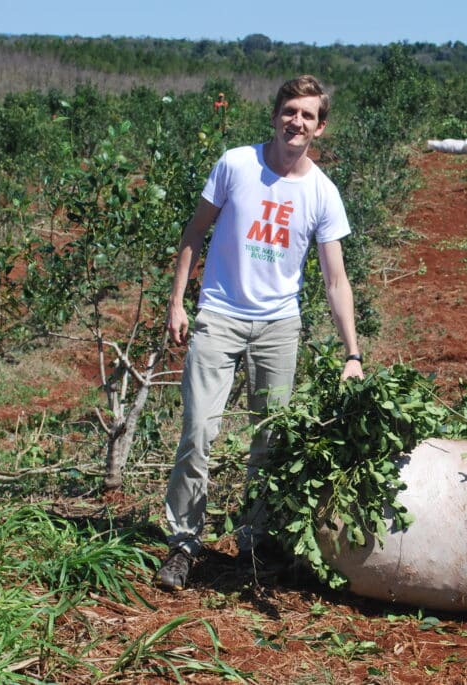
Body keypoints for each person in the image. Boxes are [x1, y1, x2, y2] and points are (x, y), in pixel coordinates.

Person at [156, 75, 365, 591]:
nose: (297, 122)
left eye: (308, 115)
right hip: (220, 317)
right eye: (289, 111)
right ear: (275, 115)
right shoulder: (236, 164)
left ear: (320, 127)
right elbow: (195, 229)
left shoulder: (321, 192)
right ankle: (183, 543)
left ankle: (253, 542)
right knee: (198, 432)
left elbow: (336, 280)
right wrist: (178, 301)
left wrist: (353, 352)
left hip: (278, 326)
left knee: (270, 441)